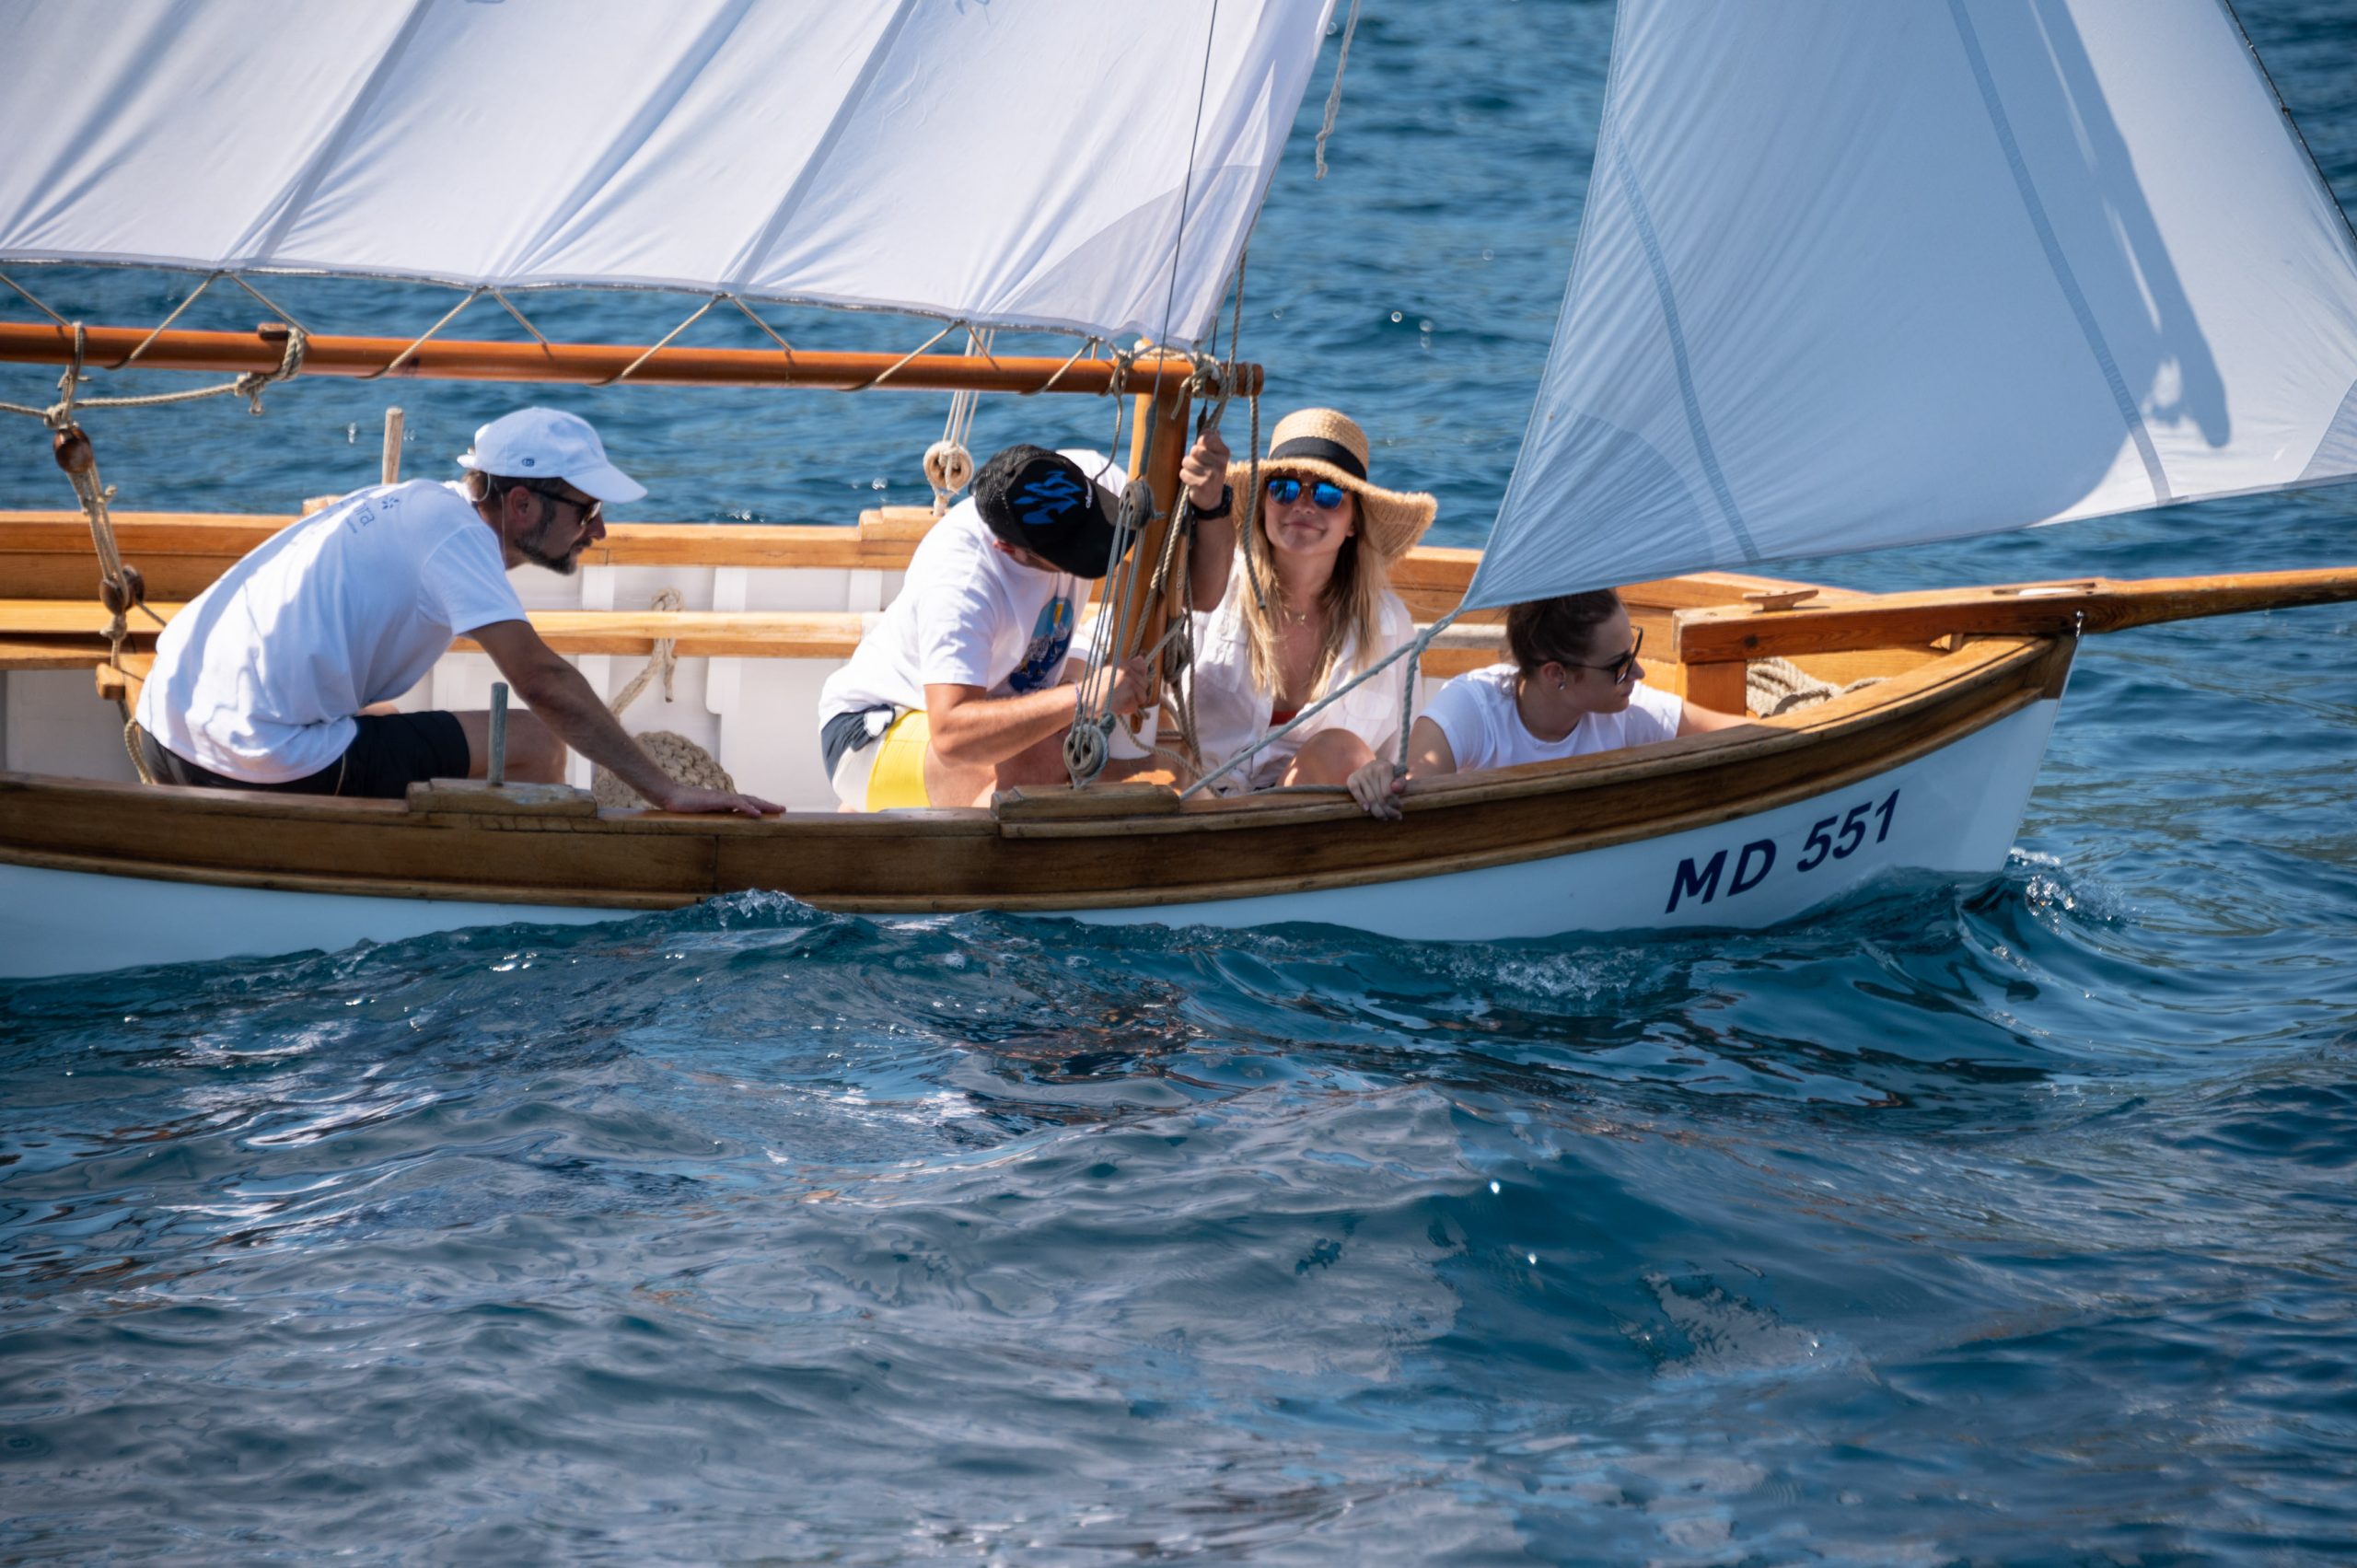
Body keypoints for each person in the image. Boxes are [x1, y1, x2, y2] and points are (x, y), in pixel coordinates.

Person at [133, 407, 780, 817]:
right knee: (535, 742)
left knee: (384, 718)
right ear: (522, 505)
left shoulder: (419, 504)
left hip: (162, 727)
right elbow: (542, 681)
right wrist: (667, 790)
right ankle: (523, 910)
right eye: (587, 511)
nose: (600, 531)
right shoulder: (458, 542)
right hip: (243, 756)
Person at [819, 443, 1181, 810]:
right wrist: (1082, 697)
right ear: (1010, 550)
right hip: (871, 730)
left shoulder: (1081, 476)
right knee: (1037, 764)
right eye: (1075, 550)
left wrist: (1212, 502)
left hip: (977, 702)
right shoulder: (962, 582)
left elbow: (1191, 583)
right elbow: (951, 734)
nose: (1096, 544)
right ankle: (883, 813)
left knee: (1072, 744)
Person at [1177, 408, 1435, 795]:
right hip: (1201, 804)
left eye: (1329, 494)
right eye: (1284, 488)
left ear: (1352, 523)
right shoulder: (1213, 585)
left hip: (1308, 822)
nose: (1303, 504)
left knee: (1337, 750)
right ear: (1264, 505)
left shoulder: (1388, 624)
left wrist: (1377, 772)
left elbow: (1397, 753)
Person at [1344, 588, 1748, 819]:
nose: (1638, 673)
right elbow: (1416, 793)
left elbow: (1746, 737)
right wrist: (1379, 780)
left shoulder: (1629, 707)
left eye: (1634, 650)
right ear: (1556, 674)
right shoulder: (1468, 707)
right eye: (1620, 664)